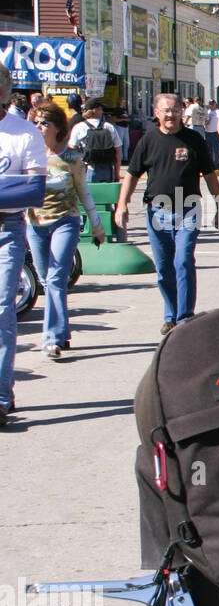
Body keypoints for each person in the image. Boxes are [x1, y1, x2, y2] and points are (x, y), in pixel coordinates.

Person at [115, 93, 219, 336]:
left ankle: (185, 317)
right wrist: (122, 204)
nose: (170, 114)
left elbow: (209, 176)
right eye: (165, 110)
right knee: (164, 267)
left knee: (183, 261)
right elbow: (132, 174)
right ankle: (170, 315)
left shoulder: (194, 140)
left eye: (175, 110)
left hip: (188, 209)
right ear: (156, 113)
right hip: (157, 211)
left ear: (181, 113)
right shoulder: (148, 140)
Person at [26, 103, 105, 358]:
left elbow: (84, 192)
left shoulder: (71, 157)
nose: (38, 127)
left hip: (65, 221)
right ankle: (62, 331)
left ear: (58, 127)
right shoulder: (29, 156)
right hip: (34, 224)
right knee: (45, 281)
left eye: (43, 123)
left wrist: (96, 224)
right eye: (35, 122)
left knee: (57, 278)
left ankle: (52, 338)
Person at [0, 65, 46, 427]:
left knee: (2, 310)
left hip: (7, 229)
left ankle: (0, 396)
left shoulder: (24, 132)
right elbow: (19, 186)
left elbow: (33, 190)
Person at [69, 100, 122, 184]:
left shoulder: (79, 127)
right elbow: (117, 151)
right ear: (96, 110)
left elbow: (72, 150)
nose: (102, 112)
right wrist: (116, 173)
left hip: (87, 169)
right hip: (107, 169)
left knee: (88, 195)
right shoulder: (109, 127)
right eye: (101, 109)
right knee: (106, 196)